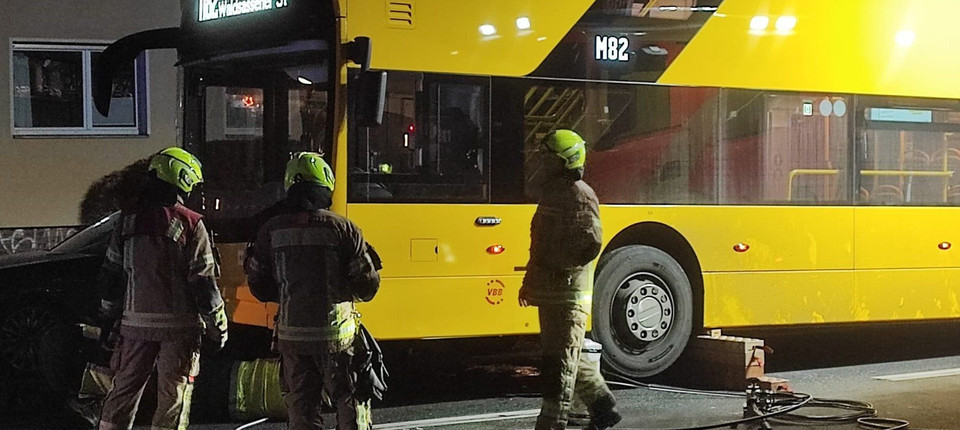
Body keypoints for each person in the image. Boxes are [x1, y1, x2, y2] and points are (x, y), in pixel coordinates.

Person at [244, 152, 381, 430]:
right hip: (337, 338)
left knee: (302, 408)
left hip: (292, 337)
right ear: (325, 186)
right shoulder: (344, 229)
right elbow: (367, 286)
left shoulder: (270, 230)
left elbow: (259, 286)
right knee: (350, 401)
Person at [96, 147, 228, 430]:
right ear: (184, 180)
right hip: (179, 330)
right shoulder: (192, 224)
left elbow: (111, 276)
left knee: (124, 390)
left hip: (134, 327)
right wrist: (219, 328)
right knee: (174, 396)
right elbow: (204, 284)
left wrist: (108, 318)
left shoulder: (127, 221)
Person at [519, 130, 621, 430]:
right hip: (550, 293)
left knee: (558, 366)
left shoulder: (580, 195)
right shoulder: (553, 193)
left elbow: (590, 244)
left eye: (548, 157)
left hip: (567, 295)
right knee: (564, 356)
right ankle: (603, 407)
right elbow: (539, 245)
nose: (541, 162)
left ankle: (551, 424)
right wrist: (530, 281)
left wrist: (556, 268)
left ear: (564, 162)